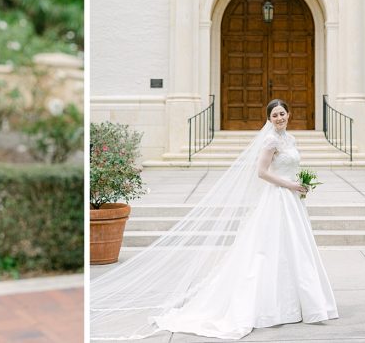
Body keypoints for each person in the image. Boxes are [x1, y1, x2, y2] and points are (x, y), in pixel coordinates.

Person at [91, 99, 338, 340]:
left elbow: (289, 166)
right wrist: (290, 185)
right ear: (269, 119)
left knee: (292, 248)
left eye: (283, 113)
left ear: (289, 114)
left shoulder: (291, 139)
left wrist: (299, 186)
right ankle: (268, 304)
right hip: (277, 197)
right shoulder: (271, 140)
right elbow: (262, 173)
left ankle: (296, 301)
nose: (280, 118)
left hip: (291, 201)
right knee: (267, 250)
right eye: (275, 115)